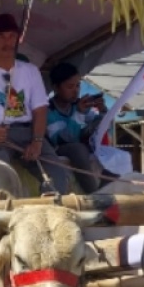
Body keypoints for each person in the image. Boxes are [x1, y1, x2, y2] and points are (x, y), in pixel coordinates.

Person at [0, 13, 71, 194]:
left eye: (12, 36)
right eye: (1, 36)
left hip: (28, 132)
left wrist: (37, 141)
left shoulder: (31, 71)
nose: (7, 42)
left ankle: (49, 206)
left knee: (57, 176)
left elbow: (40, 110)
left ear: (18, 39)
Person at [46, 62, 112, 193]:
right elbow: (64, 139)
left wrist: (103, 111)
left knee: (112, 154)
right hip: (57, 148)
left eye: (78, 86)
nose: (75, 91)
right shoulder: (48, 110)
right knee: (78, 148)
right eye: (70, 86)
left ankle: (111, 192)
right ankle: (94, 193)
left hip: (78, 145)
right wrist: (79, 114)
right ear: (56, 88)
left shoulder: (78, 105)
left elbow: (100, 127)